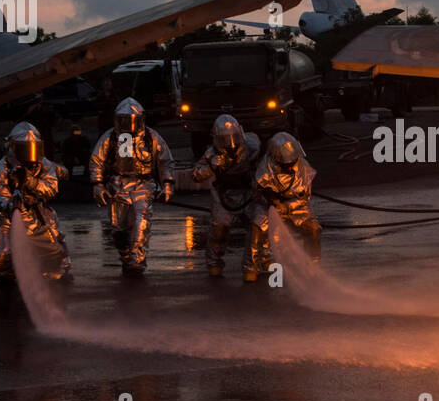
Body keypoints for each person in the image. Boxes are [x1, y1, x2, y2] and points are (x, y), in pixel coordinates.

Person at [0, 121, 71, 295]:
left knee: (55, 252)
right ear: (11, 147)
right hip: (5, 215)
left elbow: (50, 189)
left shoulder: (44, 164)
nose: (29, 155)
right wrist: (11, 203)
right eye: (24, 148)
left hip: (36, 213)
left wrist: (30, 181)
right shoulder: (1, 167)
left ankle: (34, 276)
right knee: (0, 252)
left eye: (33, 148)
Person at [89, 97, 174, 276]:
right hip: (118, 184)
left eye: (133, 121)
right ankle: (126, 255)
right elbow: (97, 160)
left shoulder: (151, 137)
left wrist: (167, 183)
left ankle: (137, 259)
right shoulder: (111, 137)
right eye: (124, 121)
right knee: (118, 227)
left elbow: (165, 160)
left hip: (144, 184)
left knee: (141, 222)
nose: (129, 125)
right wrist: (98, 184)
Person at [191, 114, 262, 277]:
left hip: (247, 193)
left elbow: (265, 165)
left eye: (234, 137)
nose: (230, 144)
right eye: (224, 139)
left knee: (258, 225)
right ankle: (214, 262)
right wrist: (212, 167)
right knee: (219, 227)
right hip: (223, 195)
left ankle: (257, 260)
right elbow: (196, 175)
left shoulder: (252, 147)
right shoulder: (211, 154)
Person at [246, 131, 320, 282]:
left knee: (313, 229)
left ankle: (311, 265)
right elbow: (258, 187)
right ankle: (250, 267)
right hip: (269, 206)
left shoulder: (302, 166)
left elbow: (305, 196)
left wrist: (290, 203)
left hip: (296, 206)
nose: (290, 164)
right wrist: (271, 198)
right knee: (257, 228)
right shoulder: (266, 165)